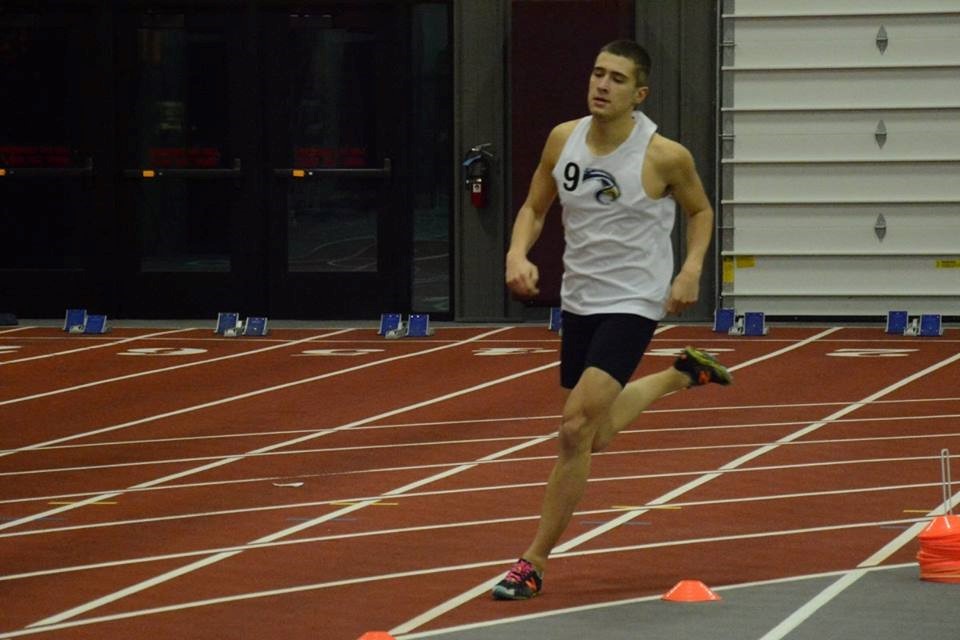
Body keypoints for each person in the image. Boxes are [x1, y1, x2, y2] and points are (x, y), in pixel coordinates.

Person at [493, 39, 732, 601]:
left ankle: (532, 563)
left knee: (574, 428)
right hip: (579, 299)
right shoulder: (563, 139)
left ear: (639, 94)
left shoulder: (663, 155)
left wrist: (692, 269)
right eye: (597, 73)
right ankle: (681, 375)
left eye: (617, 79)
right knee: (593, 434)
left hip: (634, 300)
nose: (602, 84)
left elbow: (699, 211)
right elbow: (535, 206)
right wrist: (516, 253)